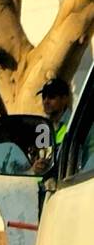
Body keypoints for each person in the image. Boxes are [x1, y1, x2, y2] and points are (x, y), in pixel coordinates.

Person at [37, 76, 72, 213]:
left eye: (51, 96)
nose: (46, 101)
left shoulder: (74, 125)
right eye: (44, 97)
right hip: (46, 193)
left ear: (65, 99)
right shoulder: (42, 128)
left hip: (68, 193)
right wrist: (36, 168)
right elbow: (38, 162)